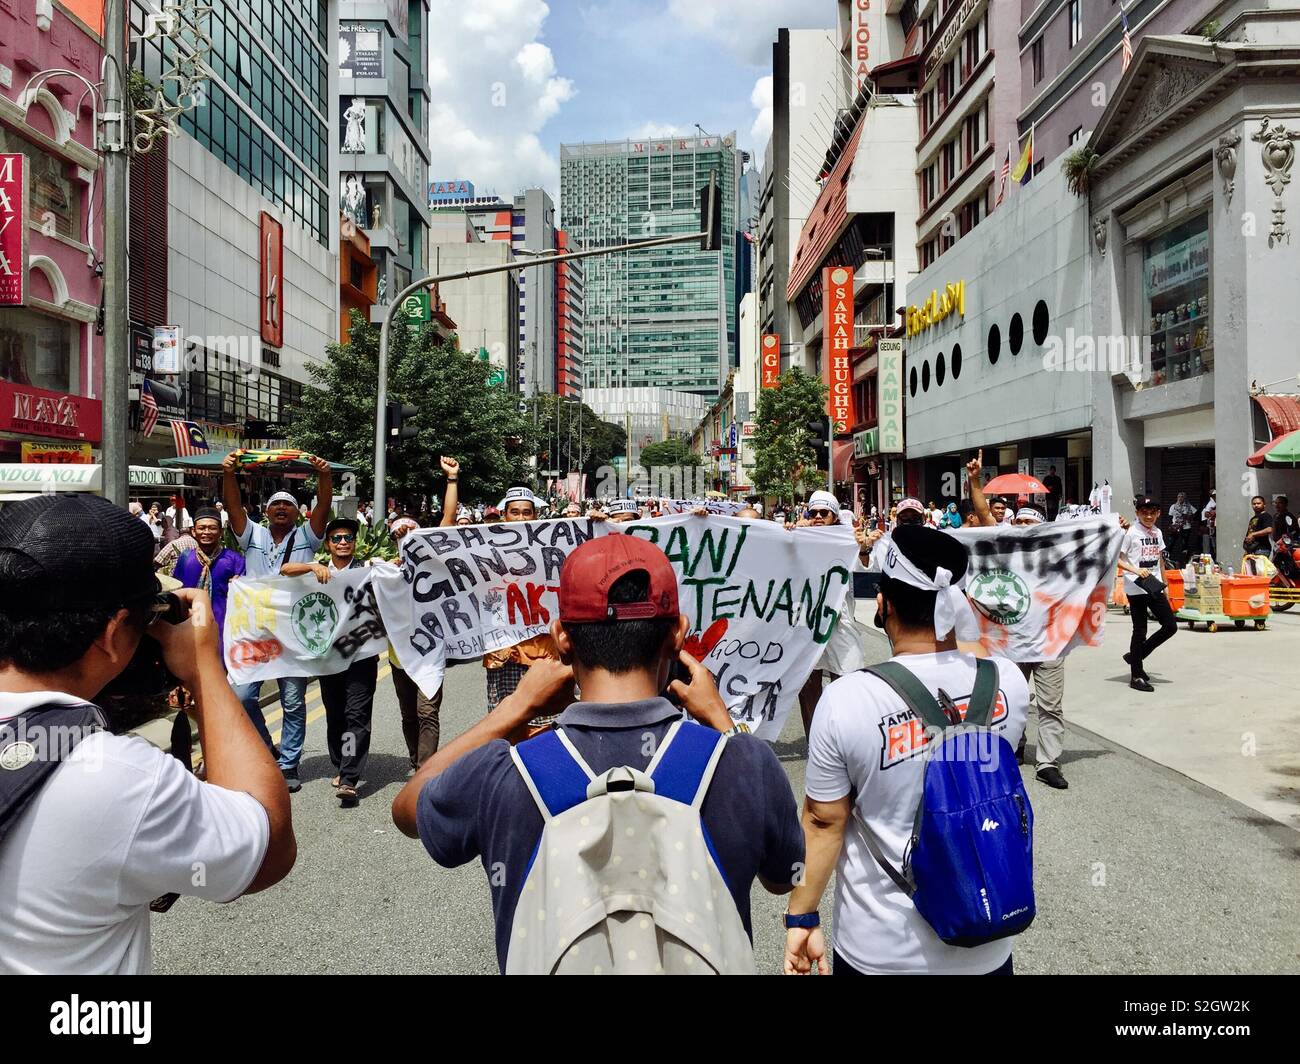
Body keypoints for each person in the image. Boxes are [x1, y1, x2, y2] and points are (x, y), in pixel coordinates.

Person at [392, 533, 804, 974]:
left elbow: (408, 808)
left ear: (561, 638)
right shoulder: (745, 763)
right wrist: (723, 722)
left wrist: (516, 707)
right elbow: (783, 879)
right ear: (679, 634)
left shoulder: (505, 772)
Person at [0, 494, 296, 973]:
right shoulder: (117, 775)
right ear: (114, 633)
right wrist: (204, 669)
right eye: (147, 621)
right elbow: (270, 847)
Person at [783, 525, 1028, 976]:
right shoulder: (1008, 681)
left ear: (884, 605)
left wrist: (802, 915)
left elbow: (823, 823)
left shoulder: (848, 699)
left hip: (880, 949)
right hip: (988, 942)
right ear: (955, 603)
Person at [222, 449, 333, 790]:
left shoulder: (307, 537)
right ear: (266, 512)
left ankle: (288, 765)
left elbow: (325, 506)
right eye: (275, 505)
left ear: (298, 513)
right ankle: (267, 747)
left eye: (288, 504)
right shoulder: (251, 534)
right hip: (255, 631)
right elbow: (233, 505)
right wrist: (229, 475)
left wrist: (324, 476)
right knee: (241, 695)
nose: (281, 508)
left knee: (292, 701)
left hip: (293, 632)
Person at [280, 517, 377, 806]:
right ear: (328, 544)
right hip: (329, 658)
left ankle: (349, 778)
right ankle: (340, 762)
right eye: (337, 538)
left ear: (355, 542)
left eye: (348, 537)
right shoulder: (319, 570)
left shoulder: (367, 570)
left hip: (361, 656)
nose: (343, 542)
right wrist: (312, 566)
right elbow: (285, 570)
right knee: (336, 714)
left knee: (356, 715)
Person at [171, 507, 273, 752]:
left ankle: (255, 747)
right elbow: (176, 597)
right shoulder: (185, 559)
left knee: (232, 699)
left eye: (212, 528)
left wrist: (241, 583)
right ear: (193, 530)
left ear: (221, 530)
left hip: (227, 640)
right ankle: (212, 754)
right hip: (193, 637)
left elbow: (251, 596)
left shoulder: (234, 560)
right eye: (202, 528)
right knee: (198, 702)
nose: (206, 532)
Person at [796, 491, 867, 735]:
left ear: (834, 517)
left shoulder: (848, 539)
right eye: (813, 512)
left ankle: (843, 736)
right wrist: (792, 531)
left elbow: (867, 566)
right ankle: (814, 738)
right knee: (808, 683)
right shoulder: (798, 535)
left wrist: (863, 546)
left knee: (846, 681)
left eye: (823, 513)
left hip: (841, 623)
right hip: (806, 623)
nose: (817, 517)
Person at [386, 518, 441, 774]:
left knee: (427, 712)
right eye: (401, 534)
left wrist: (452, 481)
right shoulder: (387, 572)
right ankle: (415, 759)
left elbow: (448, 523)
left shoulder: (437, 567)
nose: (407, 537)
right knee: (409, 715)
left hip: (431, 656)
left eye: (412, 532)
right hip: (400, 658)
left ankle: (425, 769)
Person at [1118, 495, 1177, 693]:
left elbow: (1159, 558)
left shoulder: (1157, 532)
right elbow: (1117, 559)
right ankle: (1136, 675)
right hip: (1135, 586)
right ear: (1137, 513)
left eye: (1152, 513)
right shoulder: (1130, 533)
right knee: (1140, 630)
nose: (1149, 516)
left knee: (1170, 626)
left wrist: (1166, 583)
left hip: (1153, 584)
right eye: (1144, 513)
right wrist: (1135, 571)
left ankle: (1137, 656)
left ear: (1158, 514)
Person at [1271, 495, 1298, 579]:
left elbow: (1294, 531)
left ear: (1285, 504)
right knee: (1276, 566)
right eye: (1276, 503)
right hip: (1277, 545)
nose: (1277, 505)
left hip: (1286, 547)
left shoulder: (1288, 516)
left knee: (1288, 566)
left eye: (1280, 503)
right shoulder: (1276, 516)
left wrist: (1285, 539)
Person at [1168, 492, 1197, 567]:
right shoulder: (1173, 506)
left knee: (1184, 545)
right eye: (1179, 497)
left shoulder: (1189, 506)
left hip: (1186, 528)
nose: (1180, 498)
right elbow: (1170, 517)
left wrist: (1189, 517)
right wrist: (1171, 525)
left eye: (1182, 497)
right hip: (1176, 527)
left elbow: (1196, 515)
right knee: (1171, 543)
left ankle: (1184, 561)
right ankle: (1167, 559)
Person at [1200, 489, 1216, 558]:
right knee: (1212, 543)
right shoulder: (1210, 504)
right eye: (1213, 495)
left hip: (1215, 526)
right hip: (1211, 526)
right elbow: (1205, 514)